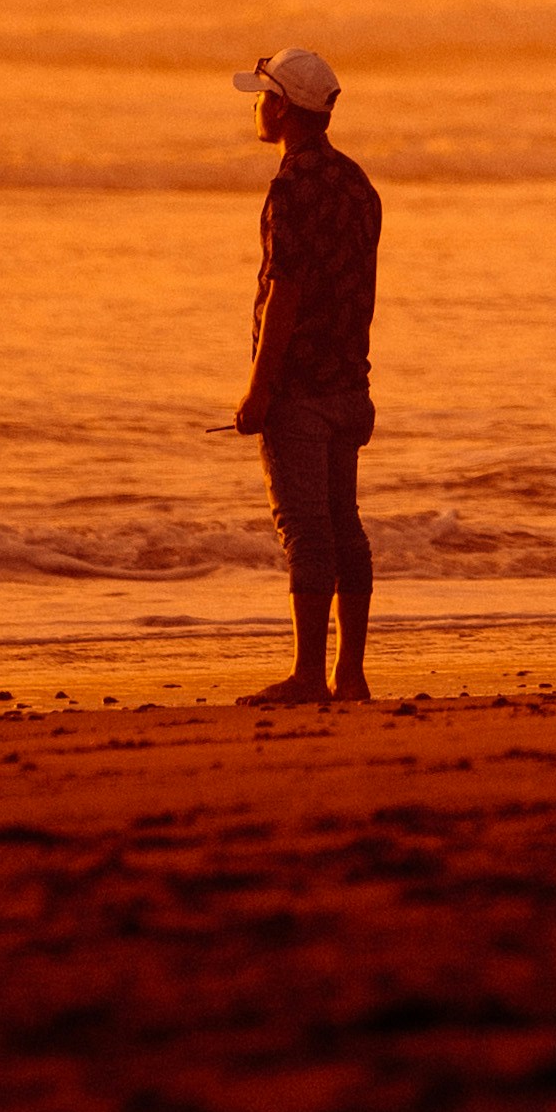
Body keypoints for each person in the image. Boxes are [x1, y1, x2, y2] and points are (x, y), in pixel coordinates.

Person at [229, 46, 381, 707]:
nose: (257, 108)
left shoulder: (289, 189)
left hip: (302, 387)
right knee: (344, 523)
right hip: (350, 379)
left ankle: (308, 676)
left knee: (307, 528)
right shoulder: (358, 184)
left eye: (262, 97)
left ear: (284, 107)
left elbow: (284, 293)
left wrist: (260, 388)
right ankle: (350, 674)